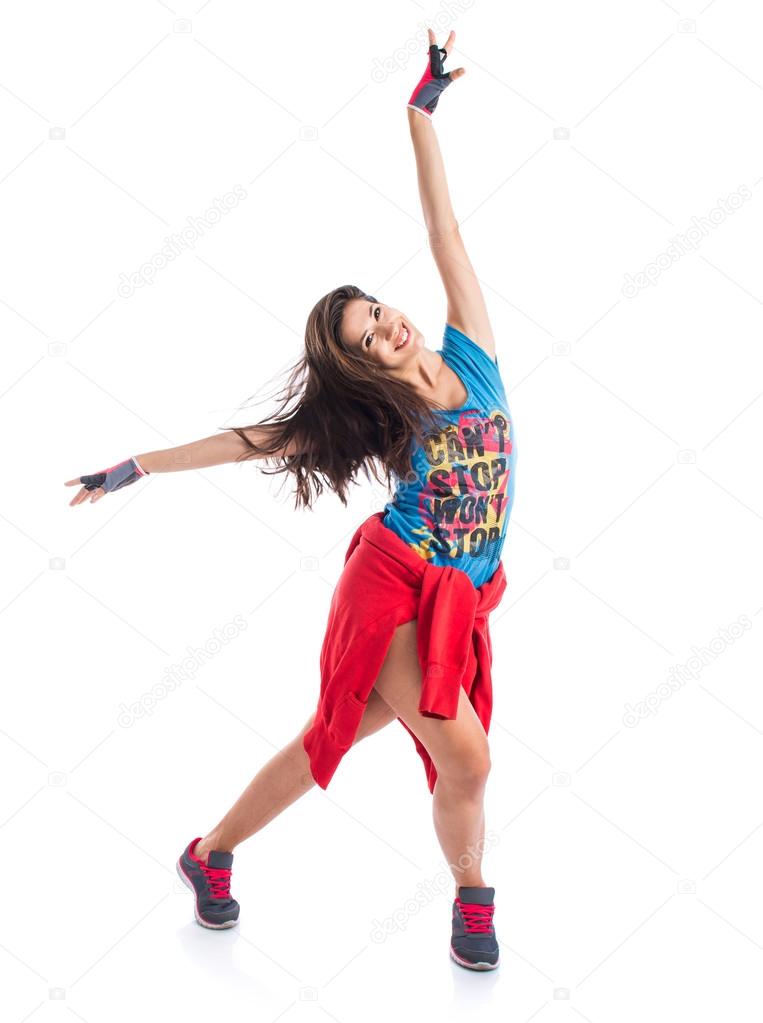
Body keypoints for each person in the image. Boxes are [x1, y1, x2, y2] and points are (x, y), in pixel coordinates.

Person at [64, 28, 517, 972]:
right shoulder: (381, 418)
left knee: (327, 741)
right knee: (466, 759)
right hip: (398, 590)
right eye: (368, 339)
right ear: (360, 367)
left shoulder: (469, 347)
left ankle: (208, 852)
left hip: (461, 592)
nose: (390, 327)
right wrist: (136, 466)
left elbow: (445, 233)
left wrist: (419, 113)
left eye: (380, 313)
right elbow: (248, 441)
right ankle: (473, 903)